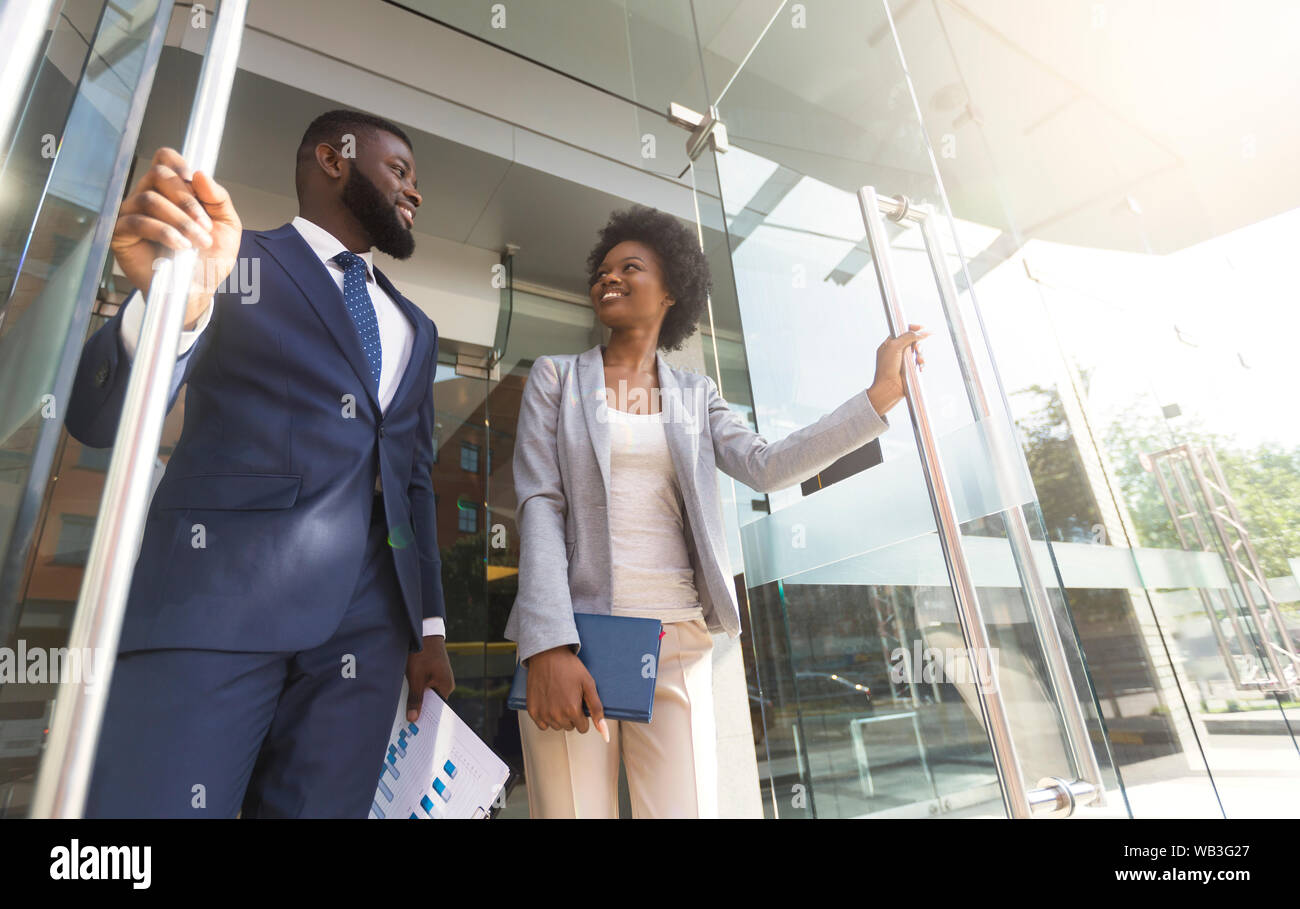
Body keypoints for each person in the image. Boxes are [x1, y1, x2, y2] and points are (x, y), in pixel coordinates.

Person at [66, 109, 454, 817]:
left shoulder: (419, 331)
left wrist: (429, 628)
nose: (416, 191)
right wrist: (166, 309)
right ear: (332, 159)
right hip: (215, 605)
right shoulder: (232, 257)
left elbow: (416, 482)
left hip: (367, 645)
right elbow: (96, 420)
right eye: (400, 169)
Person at [504, 205, 929, 818]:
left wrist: (881, 395)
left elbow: (767, 464)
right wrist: (547, 646)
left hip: (674, 639)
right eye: (602, 270)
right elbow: (540, 504)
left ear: (671, 291)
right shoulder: (557, 378)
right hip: (575, 641)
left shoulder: (695, 395)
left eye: (630, 267)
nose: (608, 278)